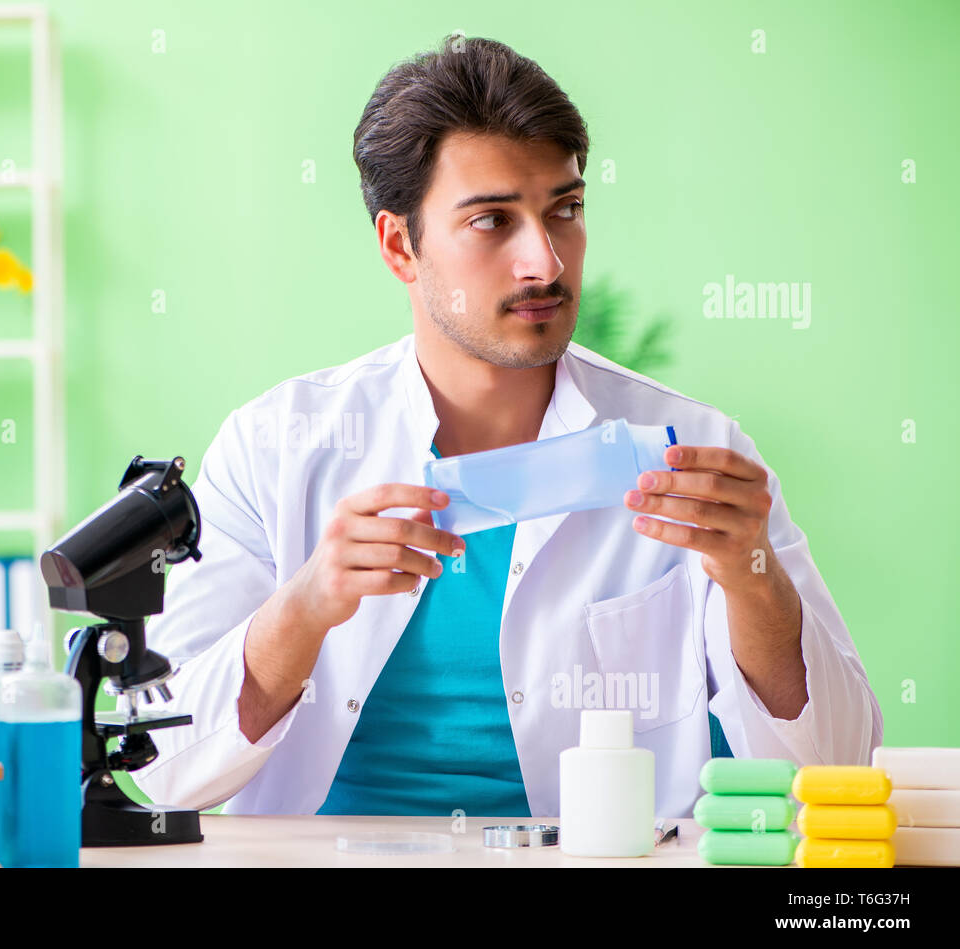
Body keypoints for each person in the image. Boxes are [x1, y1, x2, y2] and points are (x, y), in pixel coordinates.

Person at [129, 35, 881, 819]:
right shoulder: (272, 449)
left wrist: (751, 575)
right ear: (400, 247)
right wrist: (308, 602)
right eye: (493, 220)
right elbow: (163, 765)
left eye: (566, 209)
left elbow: (834, 764)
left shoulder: (697, 450)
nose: (546, 262)